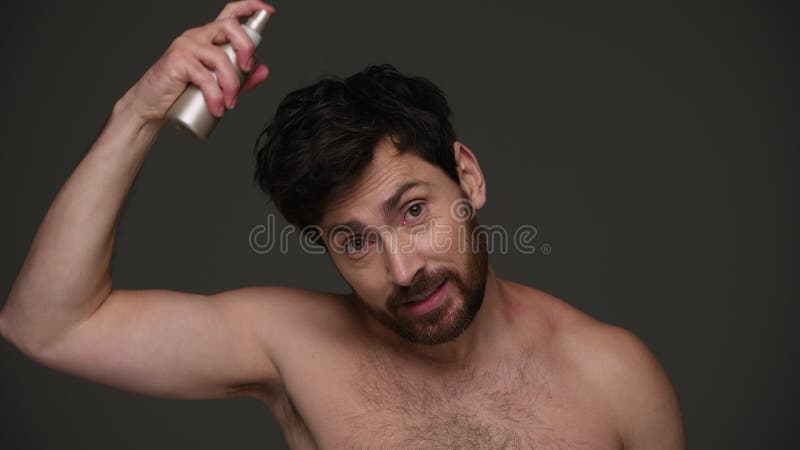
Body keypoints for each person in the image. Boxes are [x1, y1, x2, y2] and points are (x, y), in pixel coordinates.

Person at [0, 1, 686, 448]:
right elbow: (47, 326)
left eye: (412, 211)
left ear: (468, 178)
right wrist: (139, 112)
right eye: (354, 241)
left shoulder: (614, 377)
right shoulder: (290, 346)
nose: (403, 270)